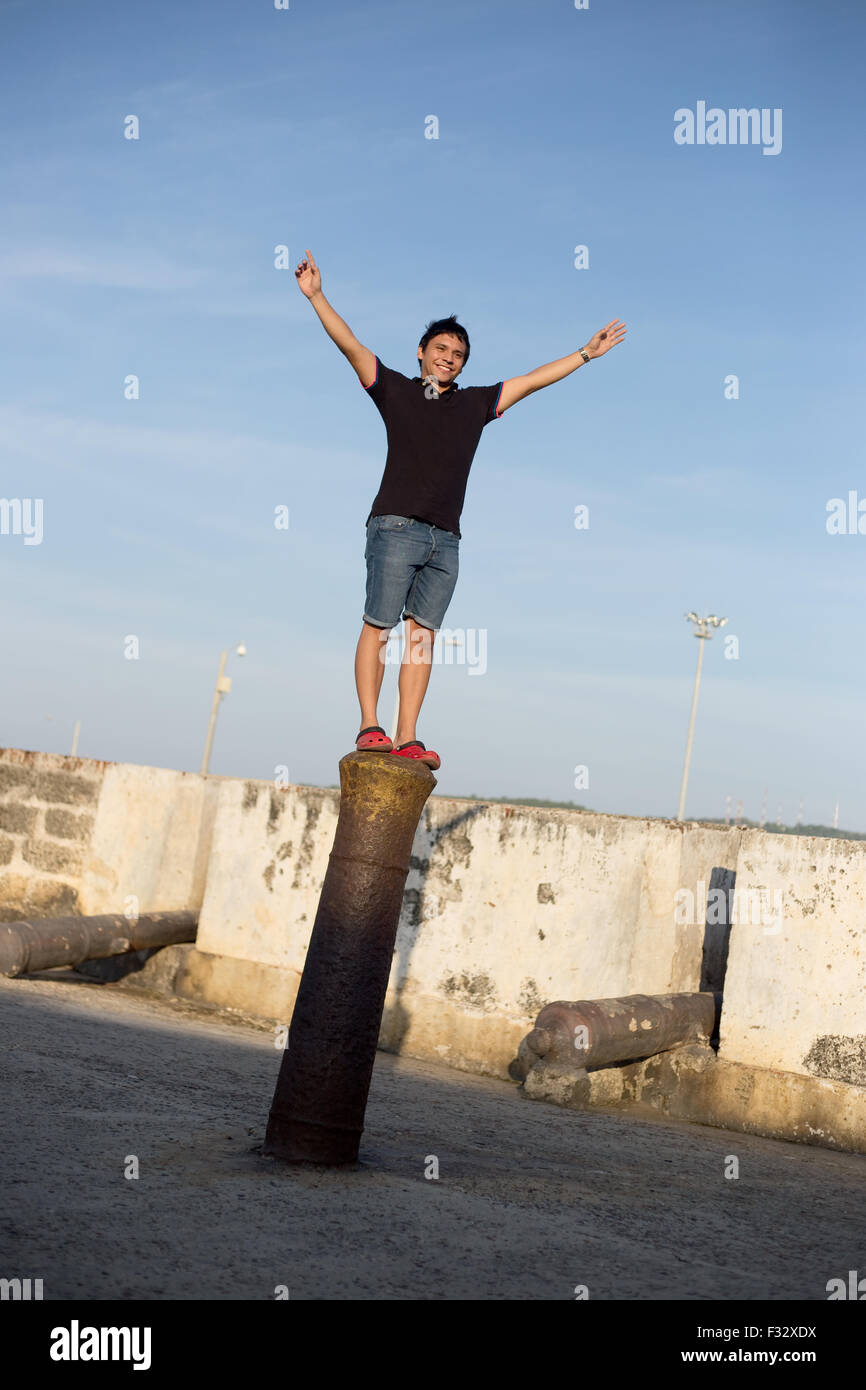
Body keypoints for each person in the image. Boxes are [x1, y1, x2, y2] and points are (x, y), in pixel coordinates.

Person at [295, 248, 626, 770]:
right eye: (441, 349)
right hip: (395, 525)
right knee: (379, 626)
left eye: (459, 354)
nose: (449, 358)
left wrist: (585, 354)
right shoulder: (395, 391)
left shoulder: (474, 404)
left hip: (445, 540)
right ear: (422, 352)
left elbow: (533, 380)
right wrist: (317, 296)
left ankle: (407, 735)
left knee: (421, 636)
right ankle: (369, 725)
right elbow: (351, 346)